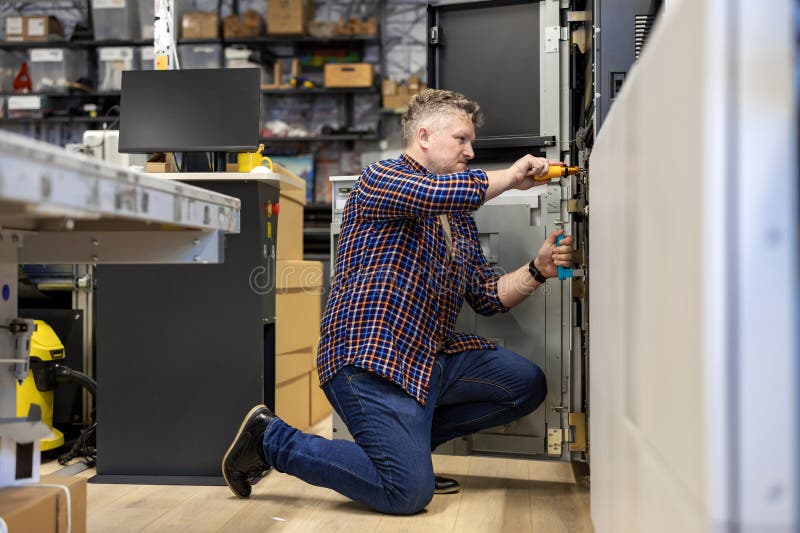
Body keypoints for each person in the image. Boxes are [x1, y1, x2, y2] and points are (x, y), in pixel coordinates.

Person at [222, 88, 576, 515]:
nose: (470, 150)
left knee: (523, 384)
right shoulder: (381, 179)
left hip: (427, 361)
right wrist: (512, 175)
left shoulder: (459, 218)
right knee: (407, 493)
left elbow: (486, 295)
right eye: (461, 139)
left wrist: (536, 269)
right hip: (370, 361)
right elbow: (438, 195)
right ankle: (271, 440)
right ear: (424, 136)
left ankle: (403, 453)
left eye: (471, 142)